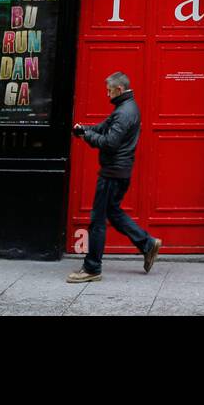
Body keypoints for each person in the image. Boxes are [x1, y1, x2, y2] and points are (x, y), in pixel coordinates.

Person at [66, 72, 161, 283]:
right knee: (113, 213)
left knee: (97, 221)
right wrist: (84, 129)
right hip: (119, 171)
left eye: (109, 90)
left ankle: (92, 268)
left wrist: (86, 136)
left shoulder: (125, 112)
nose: (107, 94)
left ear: (119, 89)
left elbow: (110, 142)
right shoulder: (124, 108)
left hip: (112, 173)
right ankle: (147, 243)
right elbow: (103, 128)